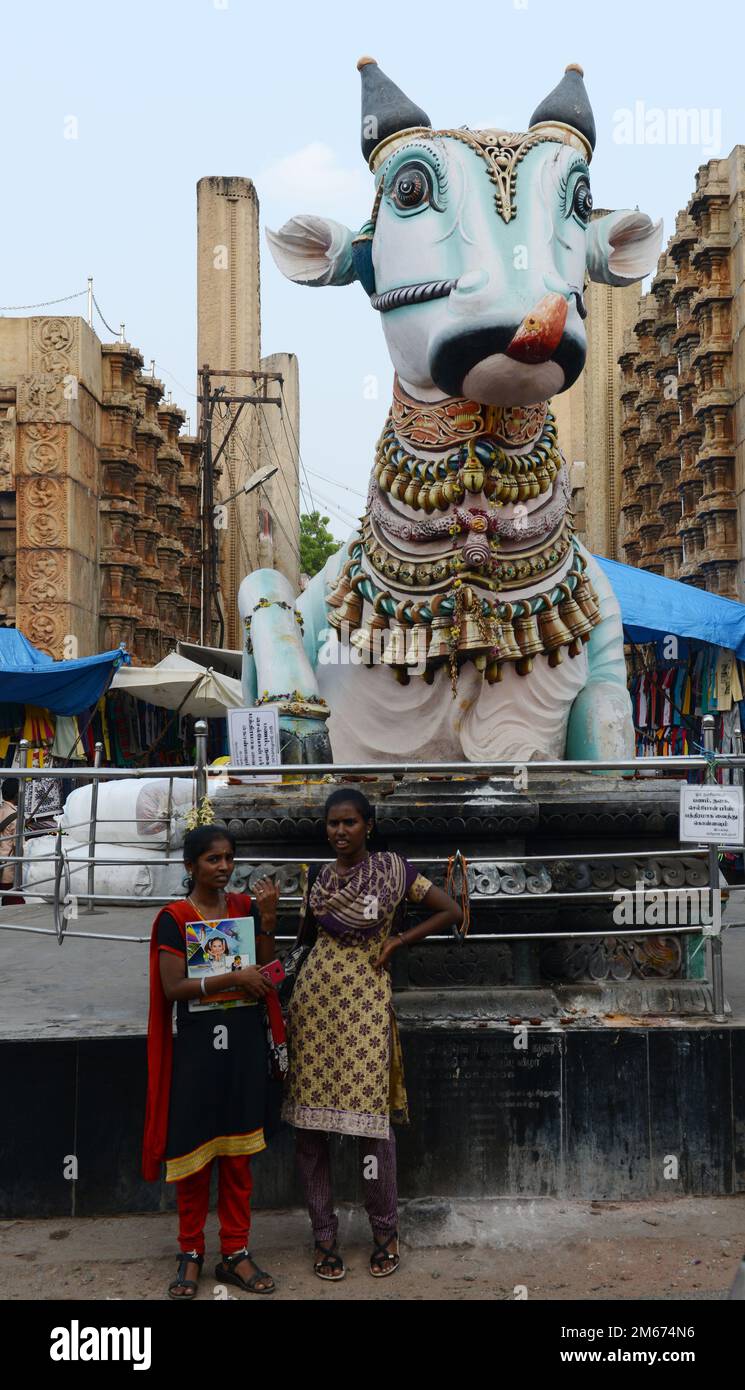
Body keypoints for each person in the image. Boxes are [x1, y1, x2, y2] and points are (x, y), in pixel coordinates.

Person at [283, 789, 463, 1280]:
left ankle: (385, 1232)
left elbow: (452, 911)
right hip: (314, 1006)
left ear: (369, 825)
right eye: (332, 824)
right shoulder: (319, 878)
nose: (339, 832)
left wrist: (399, 941)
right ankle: (324, 1238)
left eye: (349, 823)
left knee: (370, 1127)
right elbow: (303, 943)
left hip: (365, 1003)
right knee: (310, 1129)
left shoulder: (394, 871)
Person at [143, 824, 283, 1299]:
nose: (223, 868)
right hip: (199, 1049)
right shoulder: (174, 918)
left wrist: (266, 923)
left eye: (228, 858)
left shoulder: (243, 909)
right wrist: (230, 979)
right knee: (193, 1157)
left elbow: (264, 974)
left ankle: (236, 1252)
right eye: (212, 860)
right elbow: (172, 988)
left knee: (239, 1155)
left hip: (243, 1043)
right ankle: (190, 1253)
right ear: (190, 866)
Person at [0, 778, 23, 907]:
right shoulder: (16, 817)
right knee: (13, 903)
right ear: (16, 795)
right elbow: (18, 847)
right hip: (7, 870)